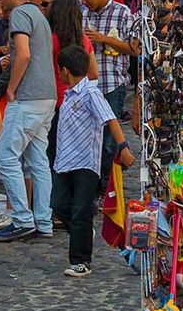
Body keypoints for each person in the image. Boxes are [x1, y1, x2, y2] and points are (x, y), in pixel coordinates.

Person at [52, 45, 135, 277]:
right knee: (58, 205)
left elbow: (111, 119)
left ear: (65, 70)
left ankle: (81, 261)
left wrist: (123, 147)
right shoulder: (69, 95)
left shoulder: (91, 93)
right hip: (64, 161)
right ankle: (83, 233)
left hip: (85, 162)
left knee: (81, 210)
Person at [0, 0, 57, 242]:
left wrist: (11, 87)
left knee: (5, 158)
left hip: (28, 97)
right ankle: (43, 220)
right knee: (37, 161)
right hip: (47, 96)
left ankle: (21, 218)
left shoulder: (20, 14)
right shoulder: (38, 15)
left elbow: (24, 54)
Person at [75, 0, 137, 195]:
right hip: (85, 86)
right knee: (87, 139)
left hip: (112, 84)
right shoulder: (82, 14)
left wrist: (104, 39)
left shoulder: (122, 13)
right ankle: (89, 189)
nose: (84, 1)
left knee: (110, 142)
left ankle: (105, 191)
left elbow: (134, 49)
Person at [47, 0, 99, 166]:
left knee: (51, 153)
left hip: (54, 101)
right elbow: (94, 73)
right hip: (78, 103)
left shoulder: (50, 40)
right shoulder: (83, 40)